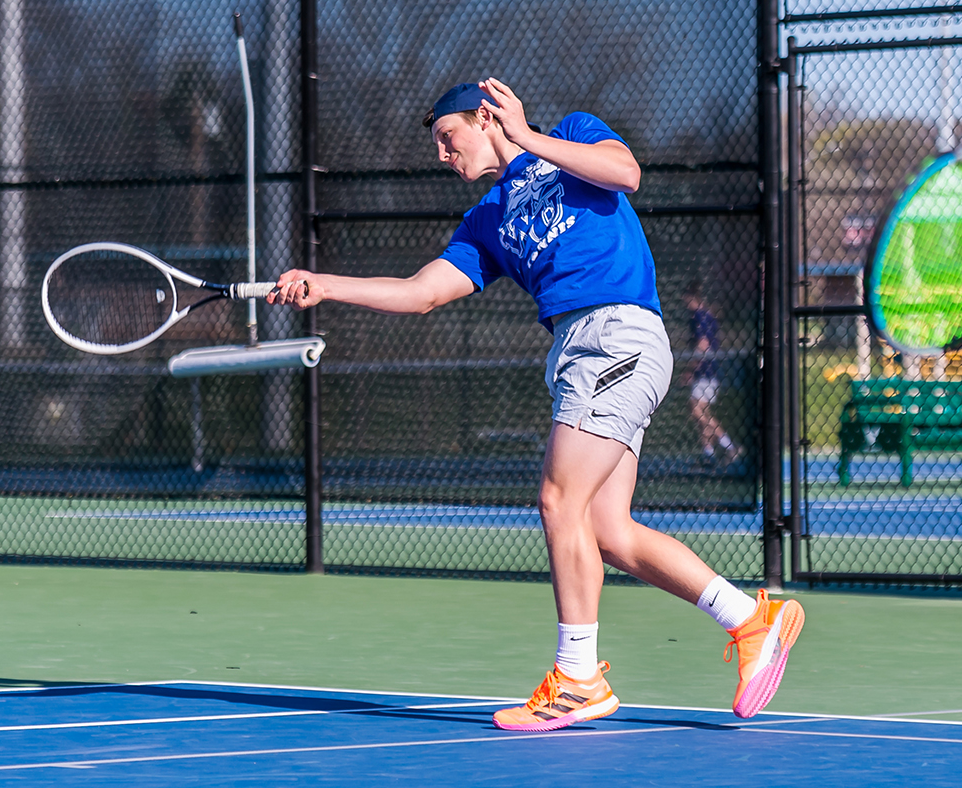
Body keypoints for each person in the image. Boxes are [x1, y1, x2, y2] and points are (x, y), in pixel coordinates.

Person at [269, 79, 803, 730]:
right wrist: (326, 285)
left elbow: (626, 173)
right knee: (607, 531)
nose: (441, 153)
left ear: (485, 117)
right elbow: (421, 292)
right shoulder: (486, 219)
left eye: (448, 136)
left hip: (616, 336)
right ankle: (751, 620)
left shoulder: (572, 134)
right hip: (579, 352)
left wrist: (526, 137)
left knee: (558, 499)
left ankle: (578, 679)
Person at [682, 282, 737, 466]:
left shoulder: (699, 316)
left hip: (705, 372)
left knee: (697, 410)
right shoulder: (707, 316)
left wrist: (690, 369)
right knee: (702, 413)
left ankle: (727, 444)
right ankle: (709, 454)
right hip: (709, 371)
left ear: (692, 298)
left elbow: (702, 345)